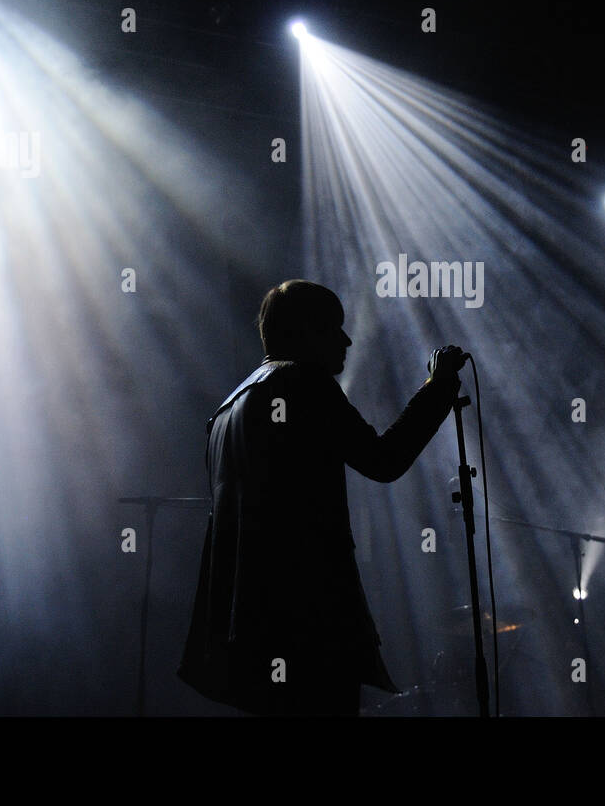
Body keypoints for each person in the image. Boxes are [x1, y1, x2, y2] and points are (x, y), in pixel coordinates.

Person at [178, 279, 466, 715]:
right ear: (306, 331)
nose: (347, 341)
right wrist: (439, 386)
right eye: (334, 328)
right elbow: (384, 460)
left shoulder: (225, 412)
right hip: (309, 622)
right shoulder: (303, 382)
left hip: (248, 631)